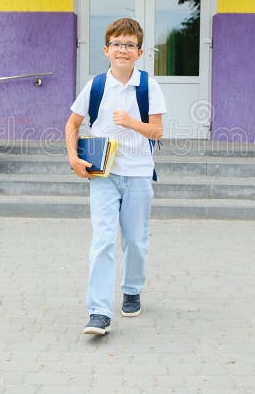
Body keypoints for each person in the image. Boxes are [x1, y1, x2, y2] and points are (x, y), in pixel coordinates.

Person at [65, 17, 166, 336]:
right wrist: (73, 158)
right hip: (102, 174)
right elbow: (72, 125)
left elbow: (158, 131)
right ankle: (98, 311)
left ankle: (132, 289)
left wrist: (131, 123)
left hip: (137, 174)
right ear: (106, 50)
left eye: (130, 45)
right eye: (118, 44)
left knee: (135, 241)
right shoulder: (95, 85)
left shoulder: (148, 85)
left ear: (140, 52)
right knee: (103, 240)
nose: (123, 50)